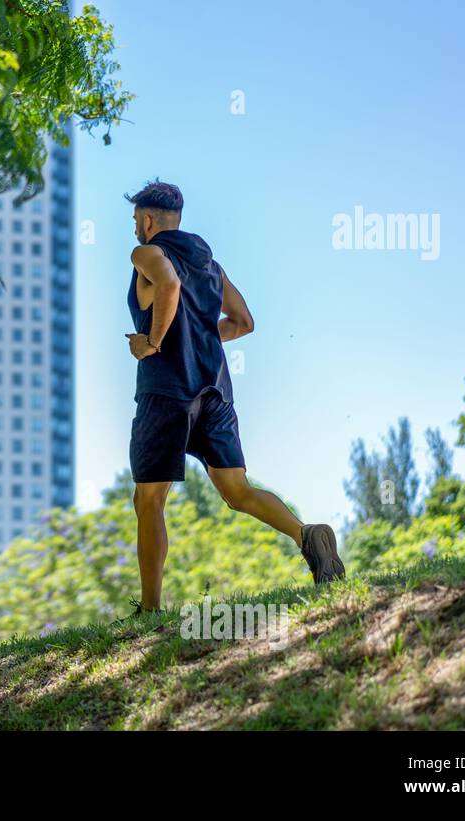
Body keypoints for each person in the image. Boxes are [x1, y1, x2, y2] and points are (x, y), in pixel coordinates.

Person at [122, 179, 344, 617]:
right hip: (215, 390)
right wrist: (197, 334)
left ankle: (149, 611)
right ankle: (307, 536)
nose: (134, 228)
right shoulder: (210, 264)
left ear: (148, 221)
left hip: (166, 392)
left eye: (135, 220)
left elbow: (167, 287)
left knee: (149, 499)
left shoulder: (146, 254)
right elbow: (242, 322)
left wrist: (153, 341)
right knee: (238, 491)